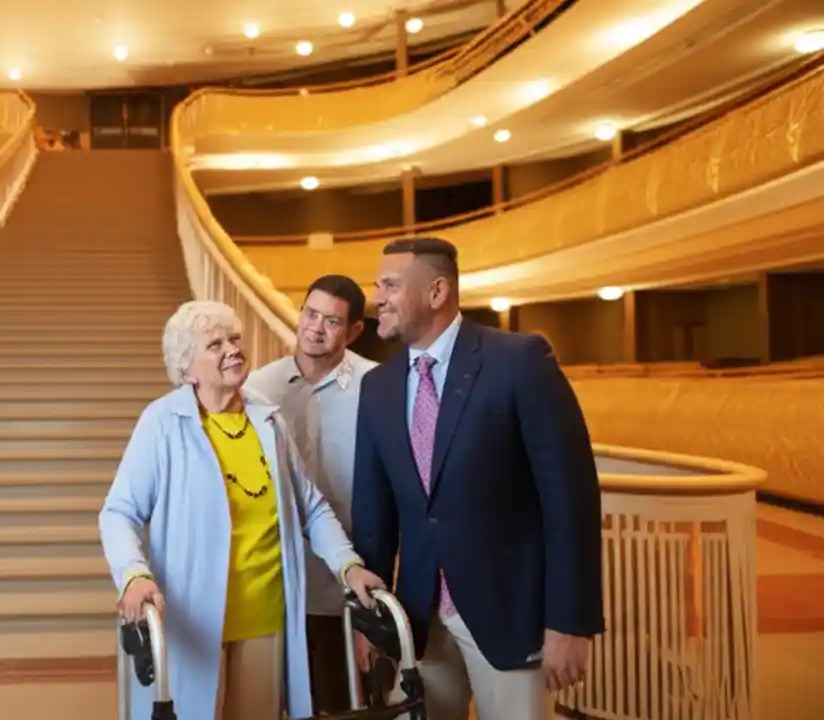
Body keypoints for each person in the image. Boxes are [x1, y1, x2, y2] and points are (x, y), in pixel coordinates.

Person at [351, 237, 604, 720]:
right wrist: (373, 621)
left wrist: (571, 621)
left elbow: (570, 500)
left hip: (511, 618)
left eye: (390, 285)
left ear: (437, 291)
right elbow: (373, 516)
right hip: (419, 624)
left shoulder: (520, 361)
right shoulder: (377, 387)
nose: (378, 297)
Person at [99, 300, 387, 720]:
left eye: (234, 338)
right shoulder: (162, 422)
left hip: (265, 618)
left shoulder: (267, 419)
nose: (232, 349)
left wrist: (349, 565)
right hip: (193, 621)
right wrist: (132, 574)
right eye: (214, 344)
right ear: (187, 368)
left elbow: (311, 506)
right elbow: (118, 512)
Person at [245, 275, 378, 715]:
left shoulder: (377, 387)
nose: (315, 328)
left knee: (348, 706)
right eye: (310, 313)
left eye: (333, 321)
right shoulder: (257, 390)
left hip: (348, 584)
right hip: (279, 586)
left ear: (355, 330)